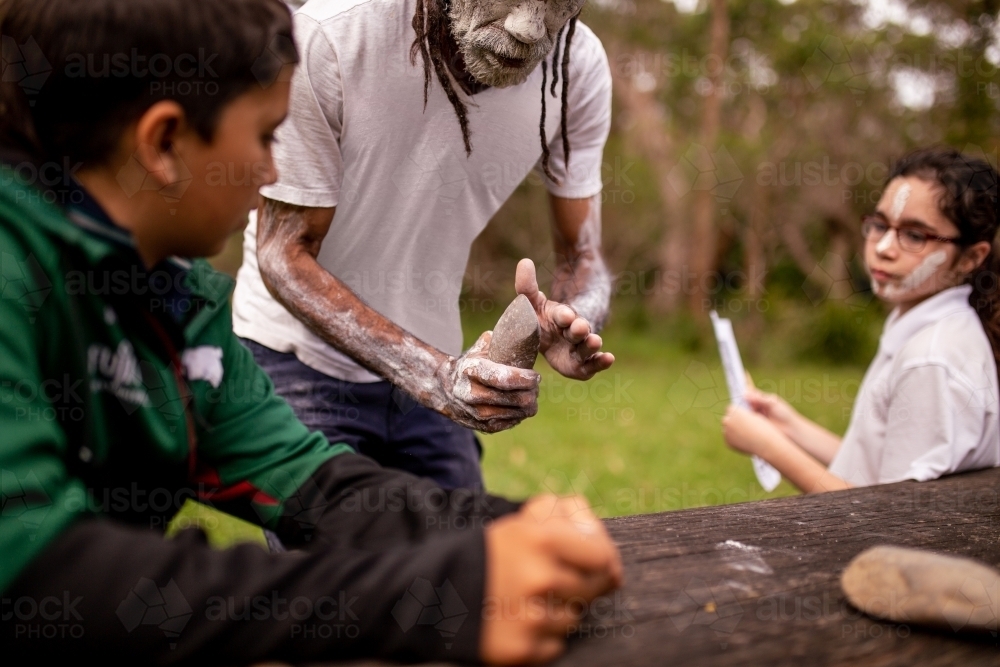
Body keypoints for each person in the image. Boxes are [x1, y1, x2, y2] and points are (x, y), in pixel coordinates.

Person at [0, 1, 621, 664]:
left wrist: (505, 526)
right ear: (163, 143)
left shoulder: (182, 313)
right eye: (267, 136)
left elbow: (310, 486)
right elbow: (39, 578)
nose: (275, 173)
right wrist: (444, 591)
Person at [232, 0, 616, 490]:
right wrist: (437, 378)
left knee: (471, 562)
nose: (527, 28)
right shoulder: (329, 37)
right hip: (295, 358)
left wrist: (577, 316)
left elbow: (584, 255)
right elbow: (281, 252)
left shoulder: (576, 69)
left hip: (433, 361)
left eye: (557, 5)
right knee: (337, 565)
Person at [721, 147, 1000, 493]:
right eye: (880, 225)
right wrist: (791, 428)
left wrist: (769, 448)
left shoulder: (930, 360)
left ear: (971, 257)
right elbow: (878, 468)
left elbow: (892, 519)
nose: (883, 247)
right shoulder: (918, 331)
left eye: (914, 235)